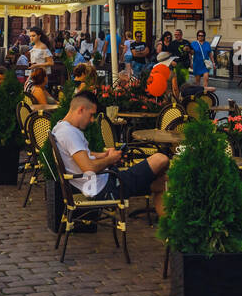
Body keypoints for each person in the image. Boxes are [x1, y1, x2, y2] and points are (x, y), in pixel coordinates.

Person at [52, 90, 170, 218]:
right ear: (81, 109)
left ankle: (167, 230)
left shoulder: (61, 128)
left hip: (106, 182)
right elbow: (89, 168)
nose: (92, 120)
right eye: (91, 115)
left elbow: (84, 154)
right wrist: (111, 159)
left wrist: (104, 155)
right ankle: (170, 227)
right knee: (161, 159)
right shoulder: (69, 133)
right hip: (105, 188)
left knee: (163, 183)